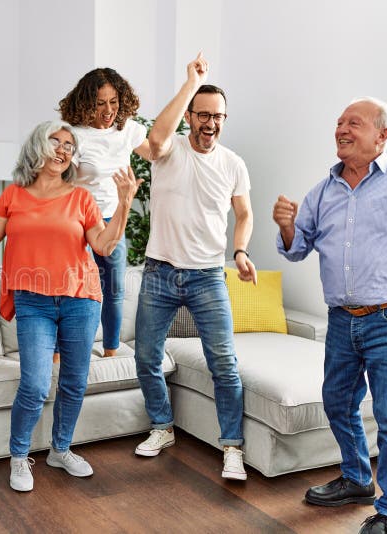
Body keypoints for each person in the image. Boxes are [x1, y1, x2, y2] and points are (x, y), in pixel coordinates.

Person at [273, 97, 387, 534]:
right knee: (337, 401)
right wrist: (286, 225)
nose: (342, 128)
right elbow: (298, 249)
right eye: (338, 122)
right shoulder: (322, 191)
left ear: (382, 135)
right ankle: (356, 479)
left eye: (353, 122)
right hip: (342, 319)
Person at [0, 120, 140, 492]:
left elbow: (103, 246)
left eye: (70, 145)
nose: (64, 149)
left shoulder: (82, 198)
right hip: (33, 302)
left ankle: (61, 449)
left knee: (73, 383)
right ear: (38, 145)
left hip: (80, 300)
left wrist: (125, 202)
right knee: (35, 384)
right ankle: (19, 457)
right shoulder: (14, 196)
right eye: (56, 141)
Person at [132, 52, 256, 481]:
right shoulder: (169, 150)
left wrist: (240, 251)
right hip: (160, 271)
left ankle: (232, 447)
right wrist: (191, 82)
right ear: (190, 116)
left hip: (207, 276)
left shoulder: (233, 164)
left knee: (224, 363)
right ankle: (162, 427)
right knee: (146, 357)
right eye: (202, 115)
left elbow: (244, 214)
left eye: (217, 116)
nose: (210, 123)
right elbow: (156, 137)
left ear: (225, 118)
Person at [58, 68, 150, 357]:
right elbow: (57, 178)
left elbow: (159, 154)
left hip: (113, 217)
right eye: (100, 103)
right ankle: (60, 350)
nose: (108, 110)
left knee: (114, 287)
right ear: (87, 103)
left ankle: (111, 349)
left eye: (113, 101)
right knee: (72, 287)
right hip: (78, 220)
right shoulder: (74, 134)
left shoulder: (128, 131)